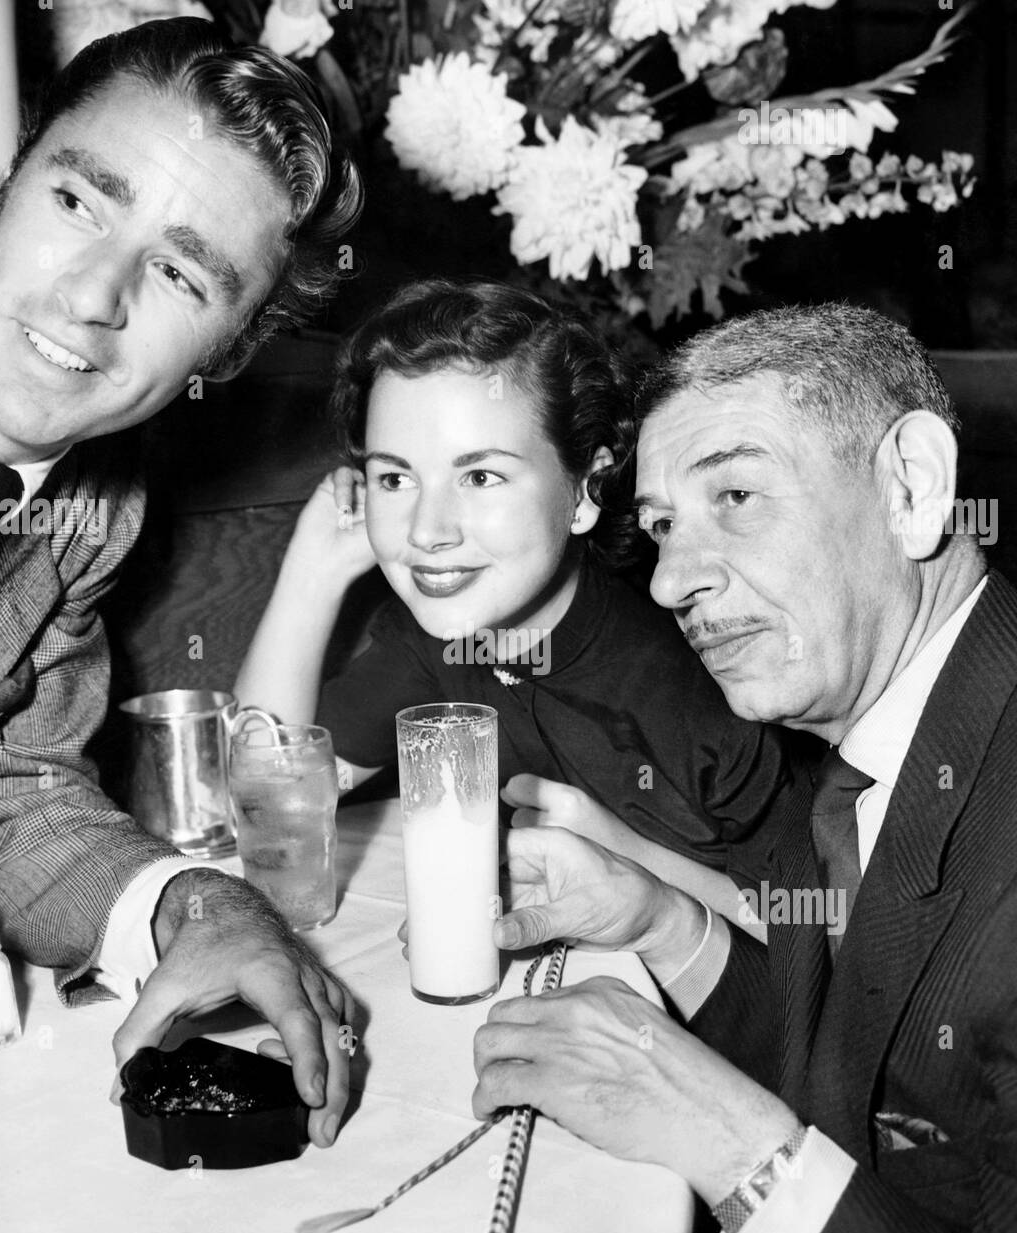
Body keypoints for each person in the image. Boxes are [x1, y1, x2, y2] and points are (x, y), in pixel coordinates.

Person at [471, 303, 1017, 1233]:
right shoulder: (863, 743)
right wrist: (659, 918)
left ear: (911, 486)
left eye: (736, 493)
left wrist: (740, 1153)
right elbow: (859, 1065)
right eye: (663, 528)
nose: (673, 578)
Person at [0, 18, 363, 1146]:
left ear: (226, 354)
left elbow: (11, 794)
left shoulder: (93, 507)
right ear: (5, 184)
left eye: (181, 272)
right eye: (79, 203)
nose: (95, 294)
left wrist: (197, 905)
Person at [236, 279, 794, 921]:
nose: (426, 530)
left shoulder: (703, 682)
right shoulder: (431, 645)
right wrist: (311, 577)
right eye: (395, 478)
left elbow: (824, 929)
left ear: (585, 492)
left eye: (480, 476)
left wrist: (627, 861)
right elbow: (272, 808)